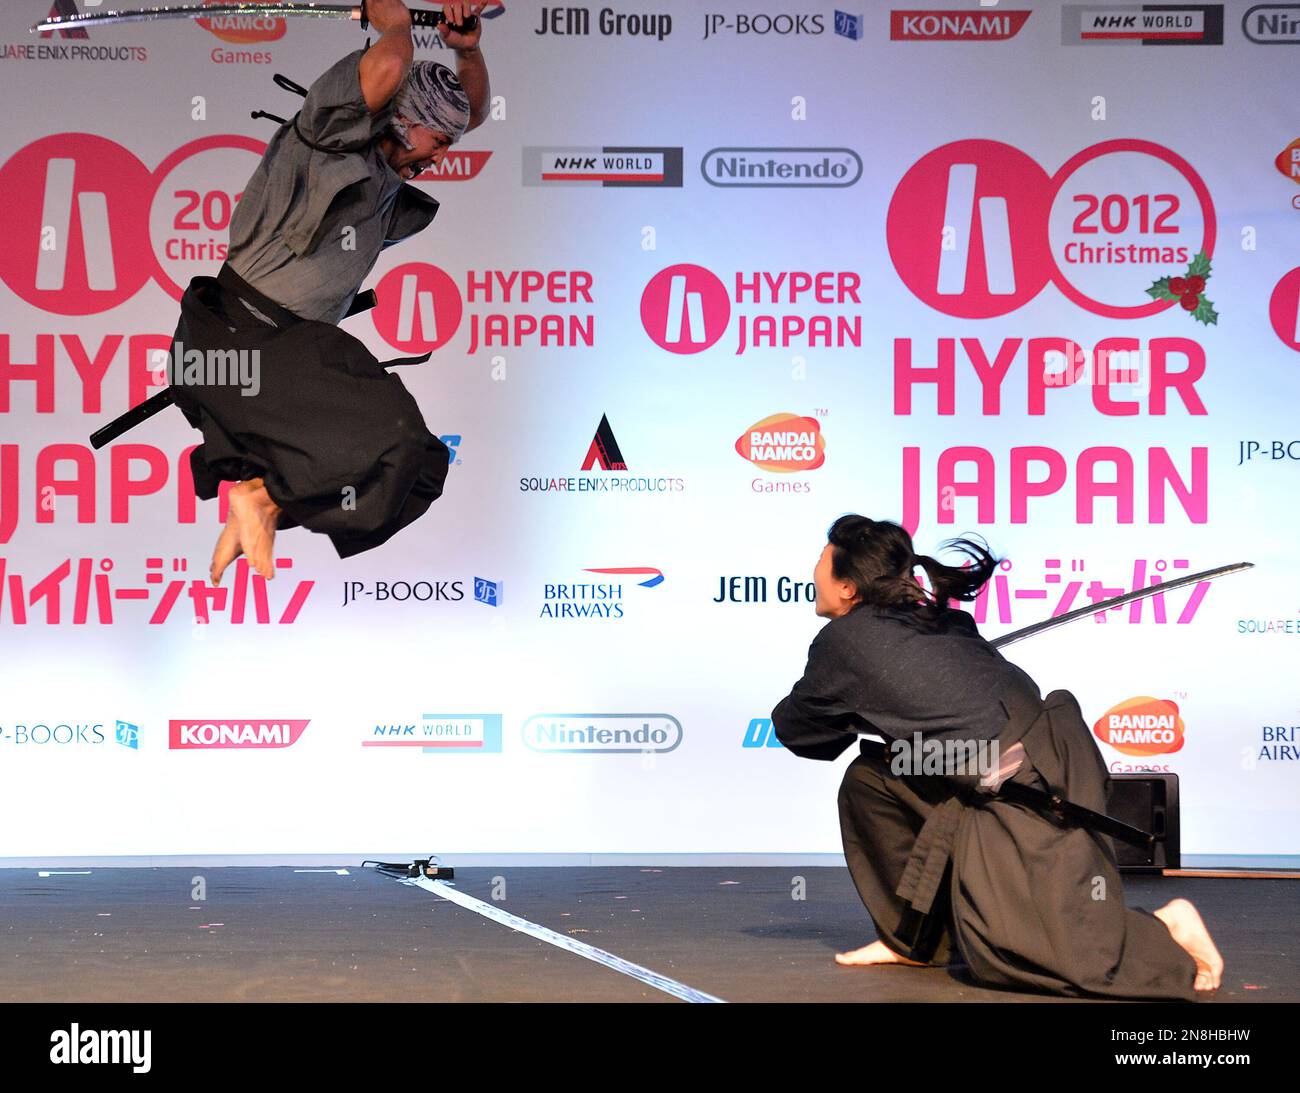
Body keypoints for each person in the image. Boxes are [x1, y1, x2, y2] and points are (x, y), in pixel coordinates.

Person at [770, 515, 1224, 999]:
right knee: (874, 778)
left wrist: (845, 714)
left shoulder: (843, 642)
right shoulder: (937, 620)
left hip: (1027, 780)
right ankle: (917, 940)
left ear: (846, 587)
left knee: (1022, 954)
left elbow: (798, 731)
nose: (811, 574)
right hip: (1020, 763)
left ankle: (1166, 925)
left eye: (819, 564)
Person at [166, 1, 490, 585]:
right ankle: (262, 498)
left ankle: (266, 502)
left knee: (418, 463)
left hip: (296, 352)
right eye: (437, 140)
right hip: (236, 344)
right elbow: (389, 67)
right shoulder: (325, 140)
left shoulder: (394, 177)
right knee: (386, 427)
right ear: (399, 117)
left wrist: (466, 50)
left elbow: (471, 112)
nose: (443, 157)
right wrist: (394, 24)